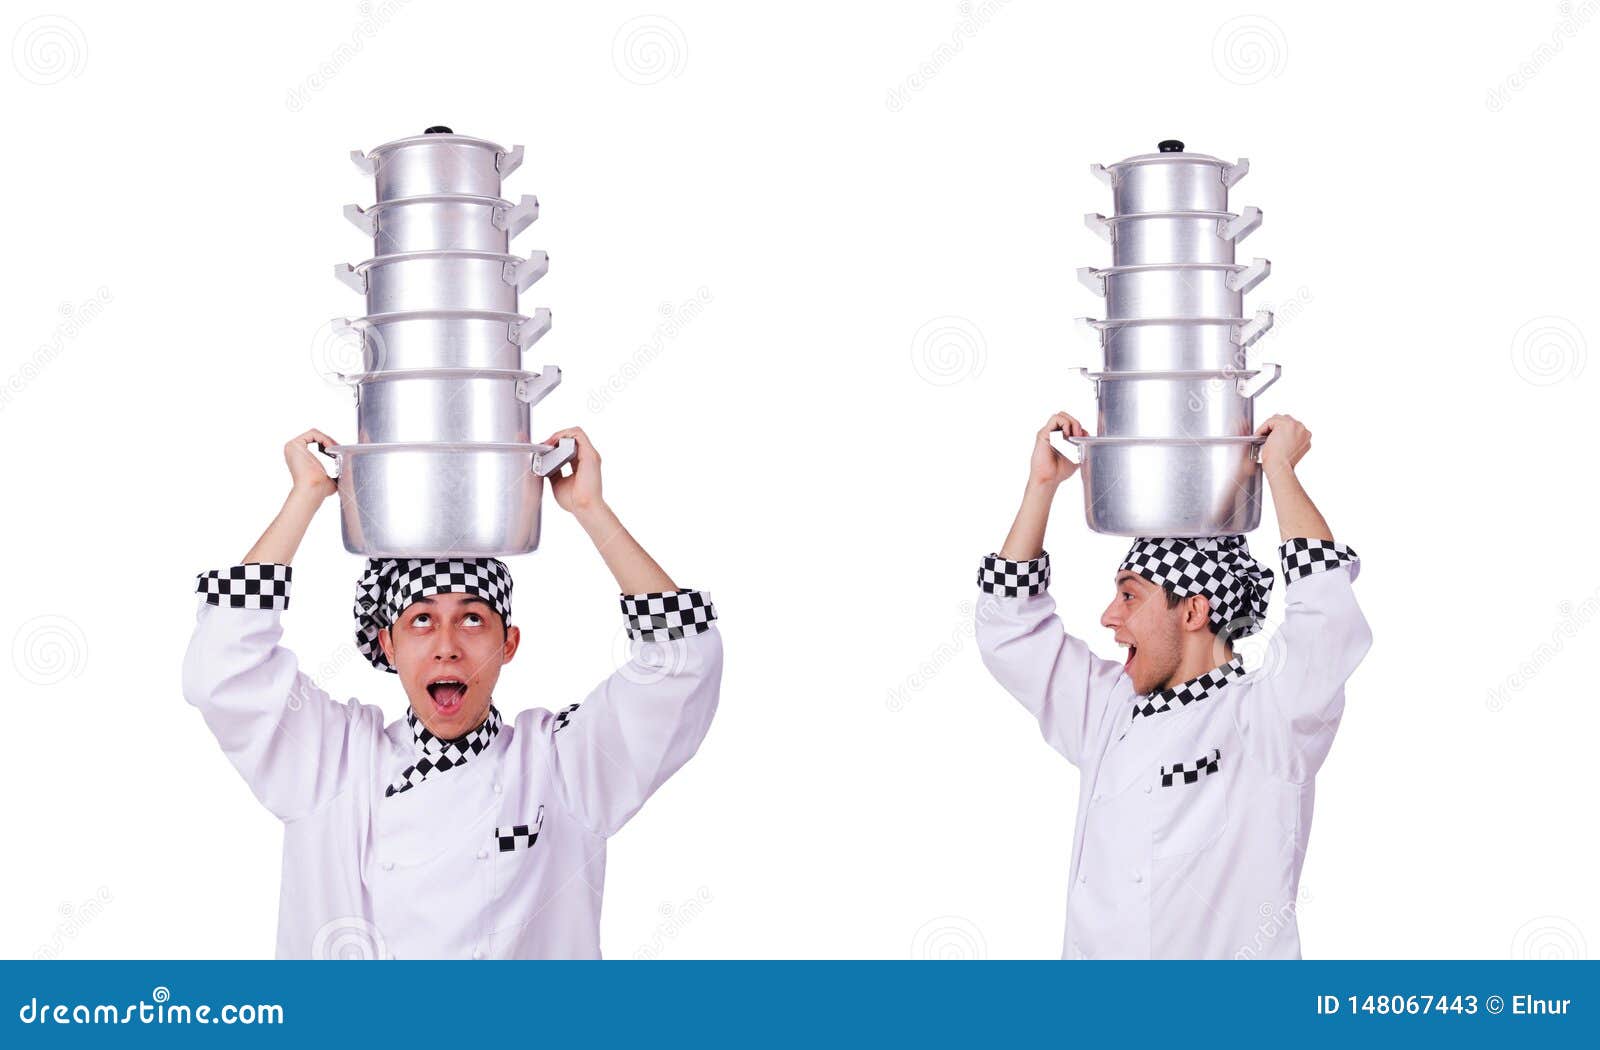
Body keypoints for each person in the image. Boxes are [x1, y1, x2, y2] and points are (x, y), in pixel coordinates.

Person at [182, 427, 722, 959]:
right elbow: (224, 666)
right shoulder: (334, 761)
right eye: (420, 620)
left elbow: (683, 663)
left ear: (508, 643)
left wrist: (590, 510)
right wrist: (303, 500)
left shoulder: (560, 765)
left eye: (471, 619)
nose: (446, 647)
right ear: (386, 644)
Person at [975, 412, 1370, 959]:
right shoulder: (1107, 710)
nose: (1109, 617)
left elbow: (1327, 617)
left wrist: (1279, 471)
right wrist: (1041, 487)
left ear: (1193, 611)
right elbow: (1009, 629)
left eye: (1130, 596)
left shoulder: (1271, 717)